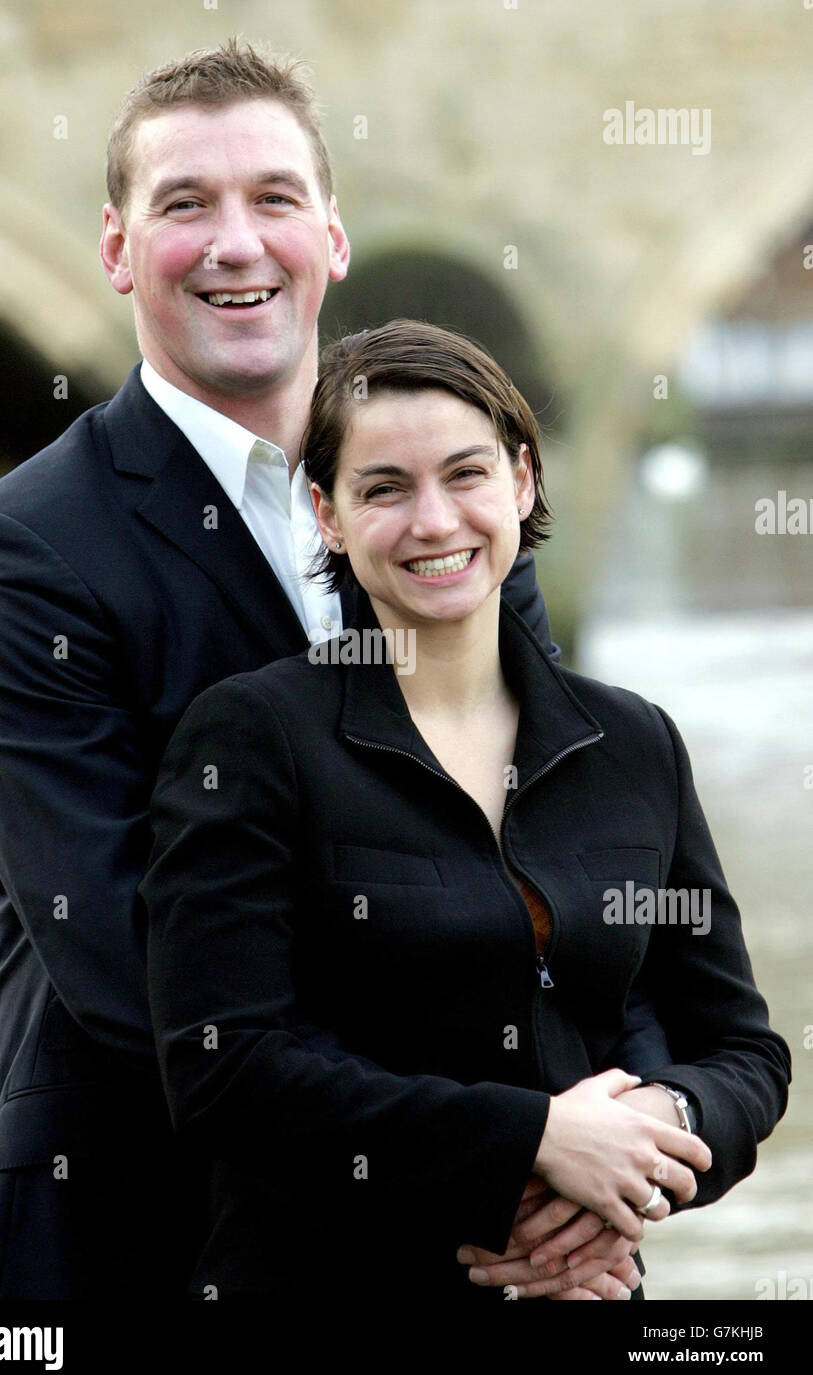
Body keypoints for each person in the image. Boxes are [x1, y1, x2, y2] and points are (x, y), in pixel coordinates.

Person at [0, 42, 584, 1301]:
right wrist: (507, 1138)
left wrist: (607, 1157)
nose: (237, 243)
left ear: (331, 238)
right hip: (146, 1237)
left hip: (484, 1254)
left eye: (274, 199)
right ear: (118, 249)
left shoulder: (445, 511)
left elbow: (578, 861)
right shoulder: (20, 555)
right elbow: (132, 959)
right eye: (186, 205)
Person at [140, 319, 791, 1305]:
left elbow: (741, 1050)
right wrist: (533, 1142)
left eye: (465, 474)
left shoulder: (633, 743)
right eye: (384, 488)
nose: (434, 520)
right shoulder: (252, 734)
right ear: (325, 512)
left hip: (585, 1287)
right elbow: (224, 1070)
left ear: (521, 482)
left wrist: (642, 1142)